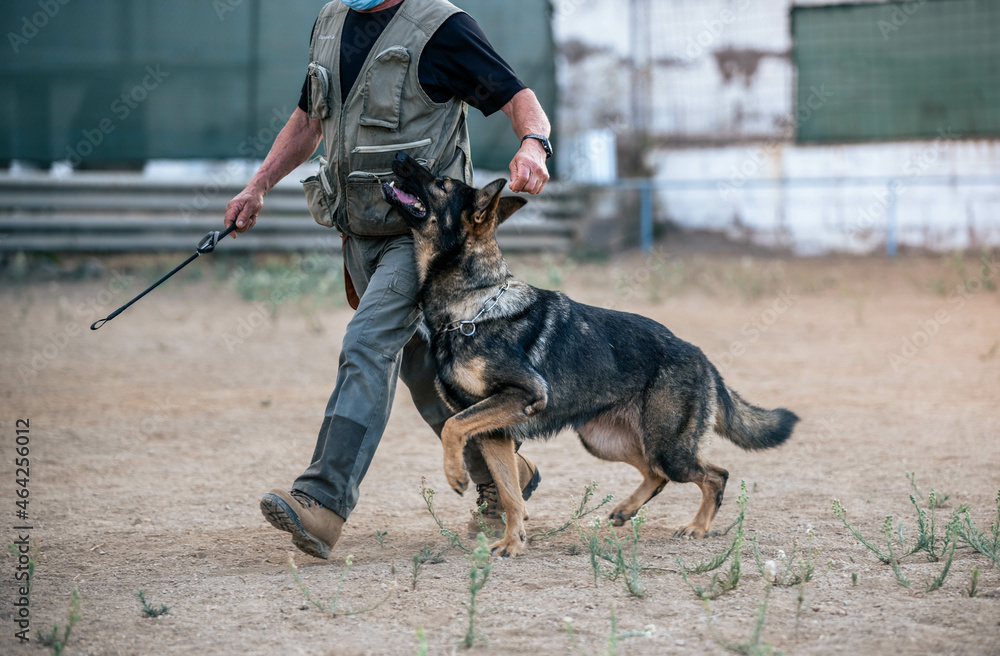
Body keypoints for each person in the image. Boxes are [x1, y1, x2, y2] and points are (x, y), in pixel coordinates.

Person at [224, 0, 554, 559]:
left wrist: (534, 144)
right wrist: (258, 184)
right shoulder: (331, 20)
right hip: (358, 235)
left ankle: (322, 502)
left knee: (367, 345)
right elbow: (309, 122)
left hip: (422, 239)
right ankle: (506, 476)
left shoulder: (443, 28)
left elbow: (518, 98)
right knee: (424, 368)